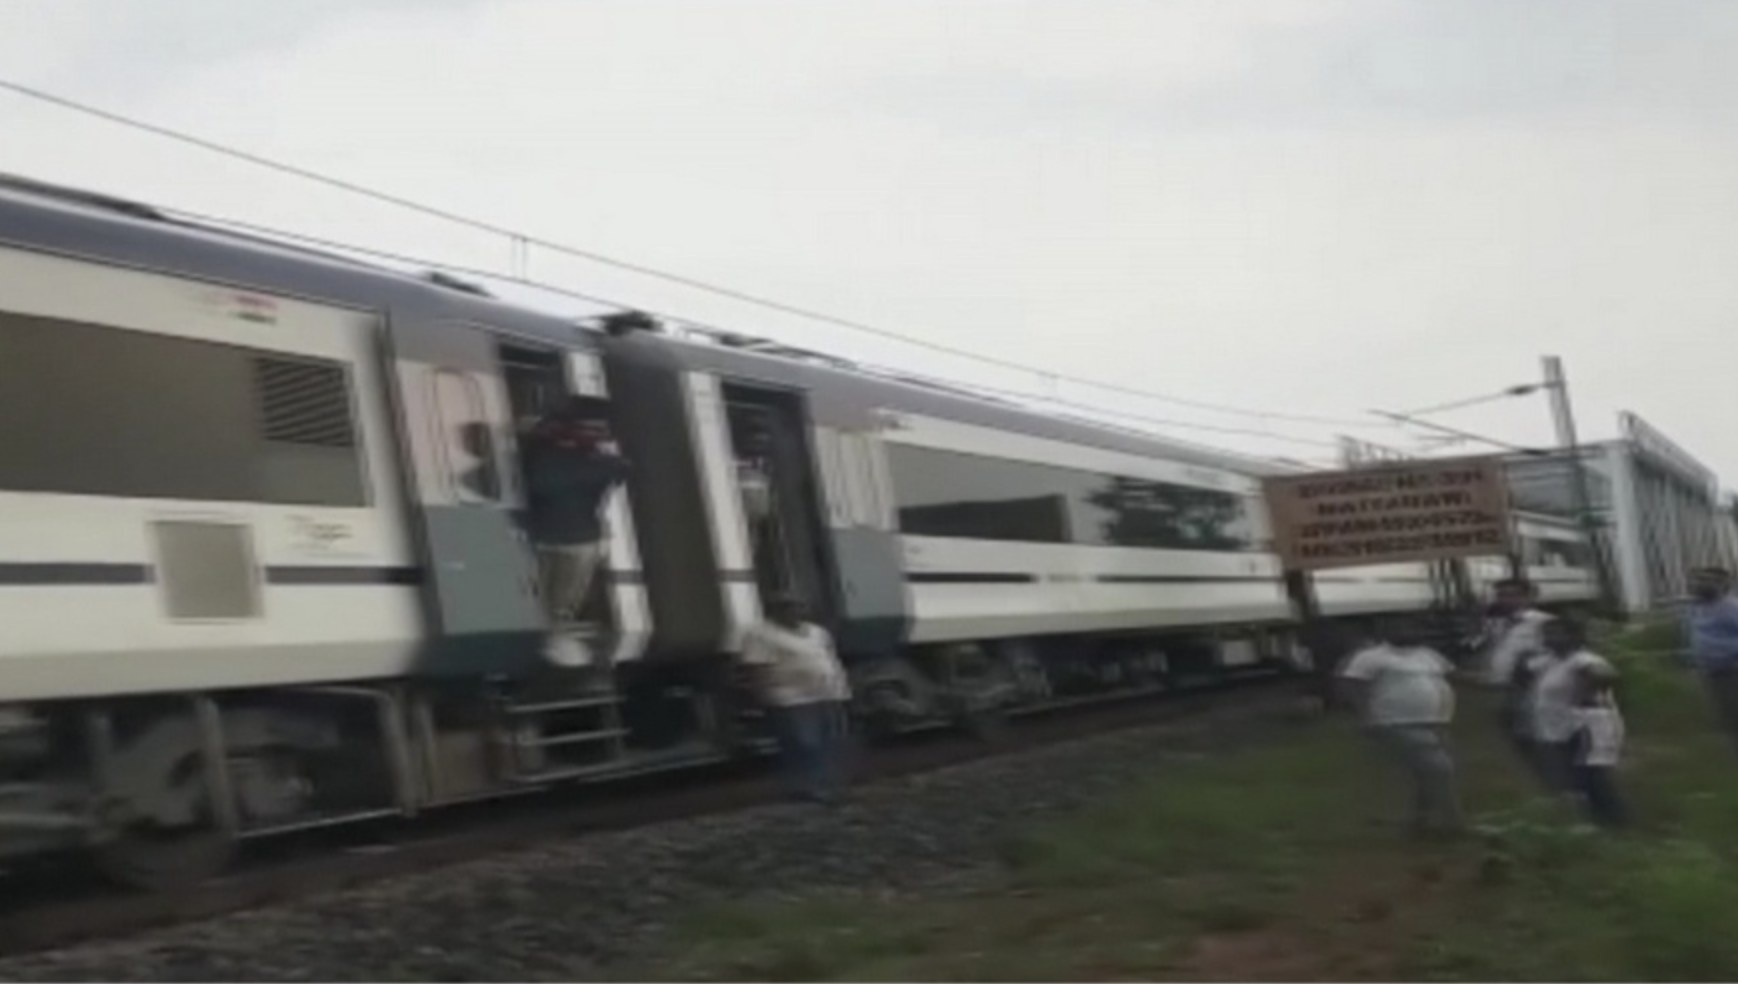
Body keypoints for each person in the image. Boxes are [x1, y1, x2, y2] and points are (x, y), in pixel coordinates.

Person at [1338, 618, 1463, 838]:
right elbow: (1351, 685)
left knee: (1426, 773)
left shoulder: (1428, 654)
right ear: (1385, 631)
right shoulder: (1371, 657)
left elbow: (1451, 675)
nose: (1408, 632)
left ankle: (1418, 823)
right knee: (1439, 768)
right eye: (1400, 627)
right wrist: (1365, 714)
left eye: (1412, 627)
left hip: (1436, 722)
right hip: (1394, 722)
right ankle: (1453, 822)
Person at [523, 397, 630, 631]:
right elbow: (618, 472)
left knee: (536, 603)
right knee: (558, 607)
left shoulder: (540, 452)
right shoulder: (603, 463)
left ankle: (544, 634)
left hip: (543, 536)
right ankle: (551, 634)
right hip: (578, 540)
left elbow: (540, 480)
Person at [738, 594, 852, 804]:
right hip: (790, 697)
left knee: (829, 740)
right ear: (775, 611)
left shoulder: (818, 632)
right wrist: (763, 696)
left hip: (826, 693)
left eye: (799, 606)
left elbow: (830, 659)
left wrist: (841, 688)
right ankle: (802, 786)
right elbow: (755, 668)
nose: (795, 611)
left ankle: (822, 783)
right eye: (788, 607)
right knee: (802, 743)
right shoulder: (760, 634)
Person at [1523, 616, 1613, 793]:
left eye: (1556, 634)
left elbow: (1604, 674)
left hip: (1578, 730)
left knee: (1591, 780)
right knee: (1564, 781)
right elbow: (1523, 672)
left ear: (1573, 636)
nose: (1549, 638)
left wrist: (1585, 692)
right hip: (1553, 730)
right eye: (1546, 634)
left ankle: (1612, 817)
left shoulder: (1581, 658)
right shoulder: (1550, 660)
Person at [1482, 578, 1554, 779]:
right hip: (1503, 687)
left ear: (1529, 597)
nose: (1506, 600)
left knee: (1539, 734)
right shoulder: (1496, 624)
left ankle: (1559, 778)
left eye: (1513, 595)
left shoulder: (1542, 622)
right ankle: (1544, 778)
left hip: (1533, 687)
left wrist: (1527, 667)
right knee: (1517, 736)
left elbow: (1554, 653)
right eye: (1501, 595)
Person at [1566, 663, 1628, 828]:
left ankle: (1616, 824)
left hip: (1594, 755)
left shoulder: (1597, 704)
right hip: (1589, 755)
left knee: (1599, 791)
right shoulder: (1591, 703)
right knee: (1590, 790)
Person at [1687, 567, 1738, 753]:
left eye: (1708, 580)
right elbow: (1694, 636)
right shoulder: (1696, 608)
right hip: (1708, 672)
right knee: (1723, 717)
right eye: (1698, 579)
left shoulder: (1731, 607)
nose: (1700, 584)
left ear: (1723, 584)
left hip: (1732, 671)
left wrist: (1728, 652)